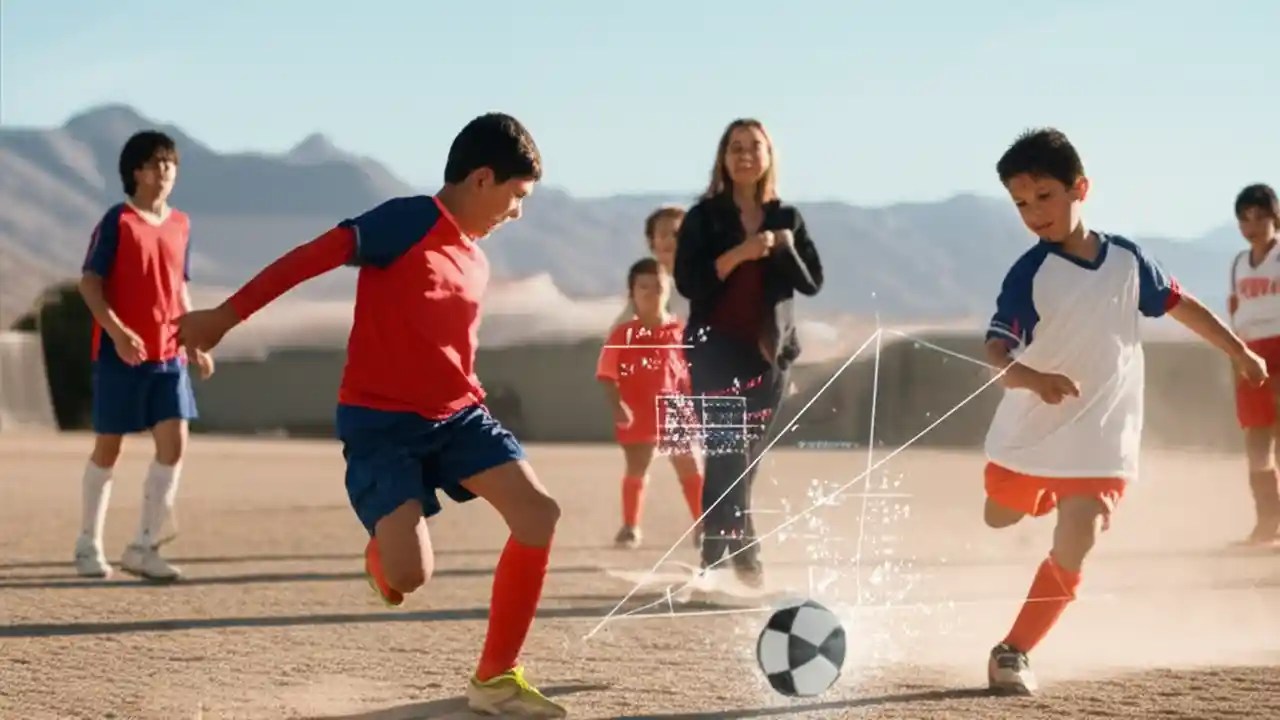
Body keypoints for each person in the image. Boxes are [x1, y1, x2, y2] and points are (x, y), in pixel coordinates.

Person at [175, 113, 567, 718]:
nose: (517, 213)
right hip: (382, 425)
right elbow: (311, 257)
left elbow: (446, 342)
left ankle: (495, 678)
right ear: (483, 178)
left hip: (458, 417)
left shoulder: (478, 260)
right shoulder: (408, 220)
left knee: (538, 512)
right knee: (408, 577)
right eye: (516, 197)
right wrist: (223, 318)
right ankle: (385, 553)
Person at [981, 127, 1267, 695]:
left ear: (1079, 187)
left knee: (1078, 534)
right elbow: (996, 351)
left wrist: (1238, 350)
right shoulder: (1028, 274)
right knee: (999, 515)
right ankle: (1037, 495)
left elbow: (1181, 307)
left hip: (1103, 434)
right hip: (1033, 431)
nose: (1033, 213)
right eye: (1020, 203)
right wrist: (1032, 378)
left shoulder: (1129, 261)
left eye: (1044, 196)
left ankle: (1013, 651)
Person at [672, 118, 823, 587]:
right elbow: (688, 282)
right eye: (735, 147)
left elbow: (811, 282)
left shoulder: (787, 218)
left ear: (768, 157)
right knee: (726, 452)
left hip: (768, 358)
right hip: (714, 352)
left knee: (743, 459)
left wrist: (783, 247)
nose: (744, 155)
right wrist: (741, 253)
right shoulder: (704, 218)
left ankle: (716, 555)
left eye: (754, 147)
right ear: (723, 157)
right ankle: (742, 555)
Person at [74, 130, 214, 583]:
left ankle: (144, 545)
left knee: (174, 444)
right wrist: (117, 332)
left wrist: (195, 339)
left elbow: (179, 286)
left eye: (170, 163)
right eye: (155, 163)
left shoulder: (182, 225)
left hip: (168, 355)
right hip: (122, 355)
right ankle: (88, 543)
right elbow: (89, 283)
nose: (165, 171)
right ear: (135, 172)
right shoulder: (117, 222)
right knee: (108, 448)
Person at [597, 257, 704, 549]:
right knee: (637, 465)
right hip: (638, 410)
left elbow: (693, 372)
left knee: (689, 466)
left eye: (658, 286)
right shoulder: (622, 335)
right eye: (643, 286)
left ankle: (703, 524)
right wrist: (617, 404)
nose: (651, 292)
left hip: (676, 410)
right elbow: (606, 374)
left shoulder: (680, 332)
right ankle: (630, 526)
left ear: (668, 289)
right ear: (632, 293)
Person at [1225, 182, 1280, 547]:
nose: (1253, 225)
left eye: (1260, 216)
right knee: (1256, 445)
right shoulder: (1238, 264)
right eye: (1245, 218)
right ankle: (1267, 523)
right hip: (1251, 353)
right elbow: (1236, 313)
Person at [609, 205, 689, 329]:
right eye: (663, 235)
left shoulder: (703, 283)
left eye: (676, 235)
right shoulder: (646, 286)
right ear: (651, 242)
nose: (670, 240)